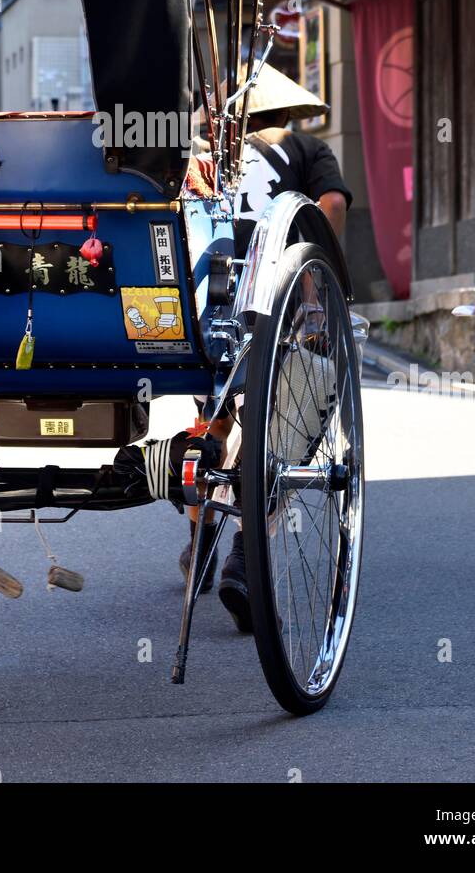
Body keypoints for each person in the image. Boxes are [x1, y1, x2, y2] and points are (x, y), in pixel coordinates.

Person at [180, 62, 353, 631]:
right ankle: (243, 559)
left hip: (214, 291)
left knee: (216, 417)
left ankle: (198, 540)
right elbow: (329, 208)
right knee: (272, 425)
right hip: (275, 294)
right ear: (288, 112)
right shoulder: (307, 148)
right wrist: (322, 285)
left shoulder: (213, 153)